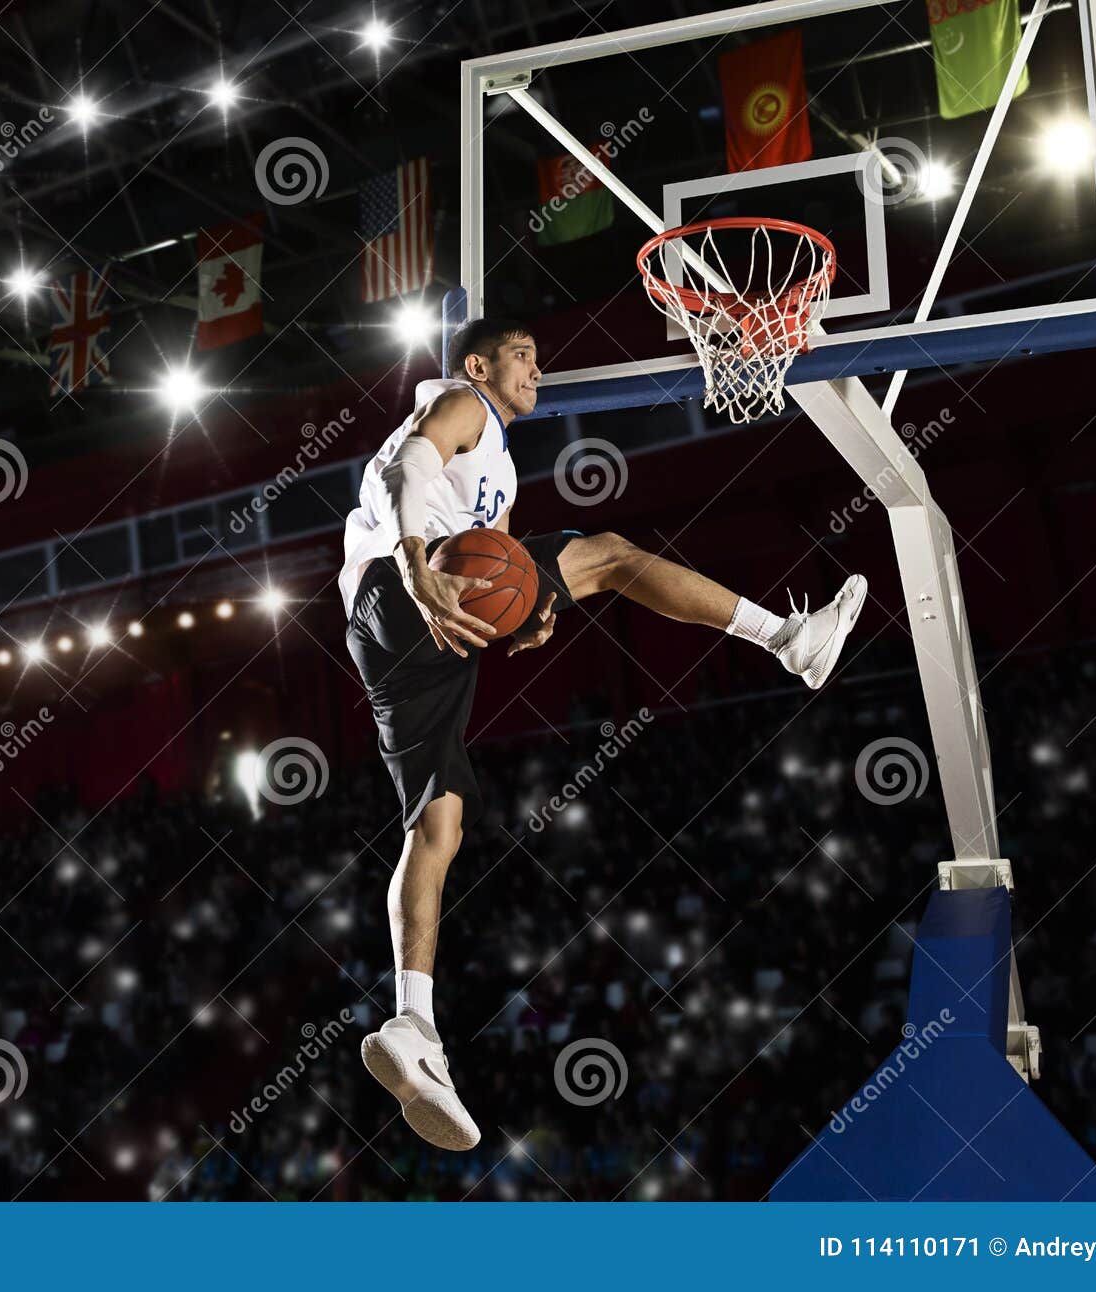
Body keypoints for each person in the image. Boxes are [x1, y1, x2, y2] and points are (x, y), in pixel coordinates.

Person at [341, 318, 866, 1150]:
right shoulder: (458, 401)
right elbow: (410, 463)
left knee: (436, 826)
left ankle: (414, 1024)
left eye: (539, 359)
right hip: (411, 580)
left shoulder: (501, 474)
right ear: (479, 363)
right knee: (614, 553)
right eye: (523, 354)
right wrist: (415, 561)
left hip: (393, 634)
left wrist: (532, 619)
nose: (536, 371)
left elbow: (503, 572)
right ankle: (787, 639)